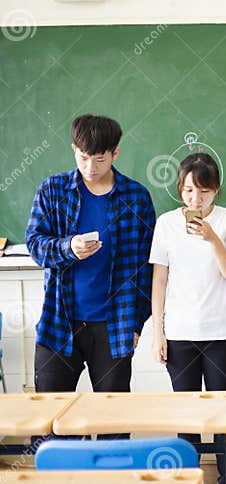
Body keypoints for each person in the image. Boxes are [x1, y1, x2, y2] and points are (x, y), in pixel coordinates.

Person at [26, 114, 155, 398]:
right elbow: (34, 244)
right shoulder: (53, 190)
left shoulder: (136, 197)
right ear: (74, 149)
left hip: (114, 326)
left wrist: (136, 323)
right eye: (83, 158)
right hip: (59, 322)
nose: (90, 167)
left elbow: (148, 268)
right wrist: (68, 248)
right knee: (50, 418)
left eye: (99, 159)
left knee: (113, 421)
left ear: (115, 153)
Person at [150, 153, 226, 483]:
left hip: (222, 334)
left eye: (203, 191)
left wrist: (212, 238)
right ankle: (187, 477)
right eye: (188, 191)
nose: (195, 199)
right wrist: (157, 332)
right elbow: (159, 279)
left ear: (216, 190)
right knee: (187, 416)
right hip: (179, 334)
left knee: (222, 416)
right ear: (180, 190)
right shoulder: (166, 223)